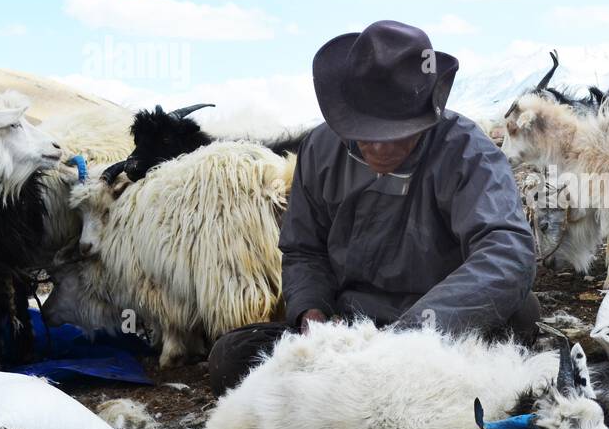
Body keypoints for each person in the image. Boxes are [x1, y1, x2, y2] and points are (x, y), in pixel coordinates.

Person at [208, 20, 540, 396]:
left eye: (395, 134)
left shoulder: (468, 153)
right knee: (232, 359)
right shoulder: (320, 149)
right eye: (366, 132)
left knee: (518, 315)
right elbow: (304, 249)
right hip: (351, 328)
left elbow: (507, 252)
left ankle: (369, 388)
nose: (380, 148)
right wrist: (311, 312)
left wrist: (413, 334)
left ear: (426, 116)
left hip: (440, 326)